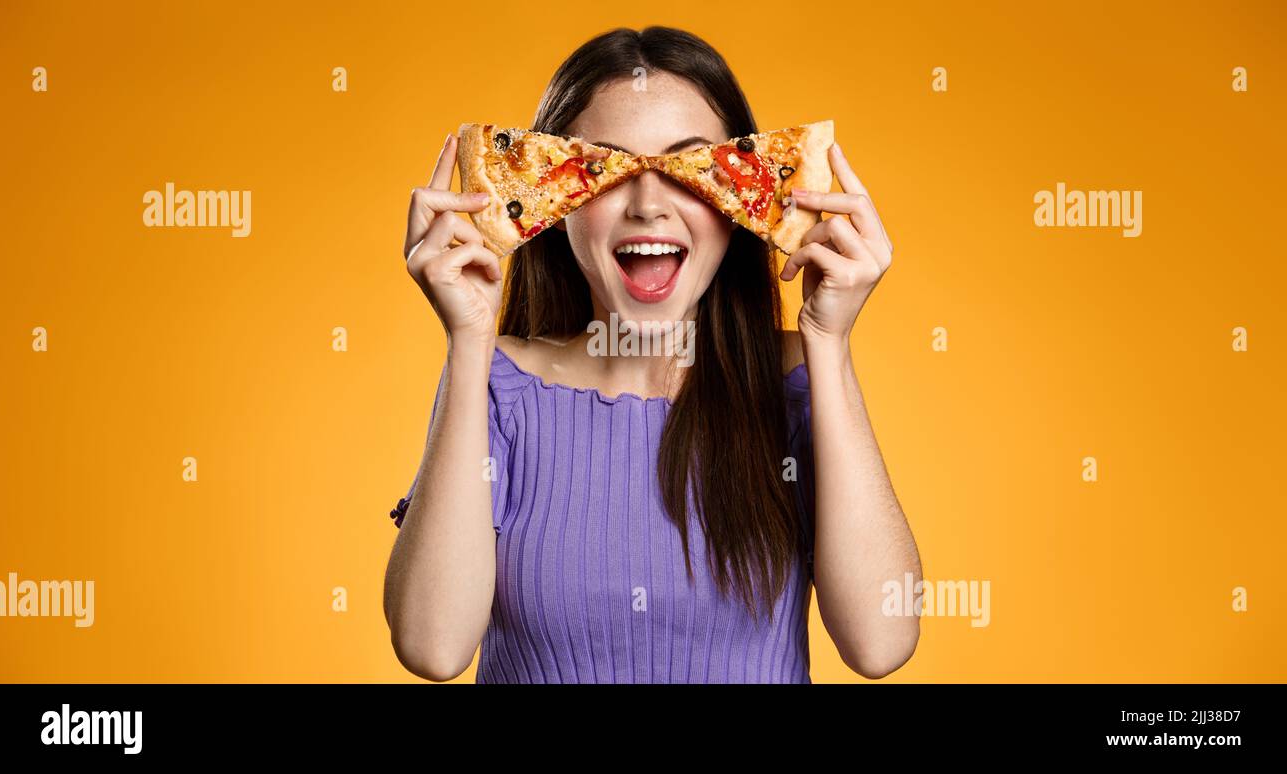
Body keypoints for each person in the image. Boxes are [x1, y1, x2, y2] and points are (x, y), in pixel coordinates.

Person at [383, 26, 921, 683]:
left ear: (741, 198)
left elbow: (882, 642)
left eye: (689, 169)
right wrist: (469, 336)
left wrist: (829, 344)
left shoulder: (795, 386)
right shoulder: (500, 387)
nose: (648, 205)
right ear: (554, 198)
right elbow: (432, 648)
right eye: (605, 170)